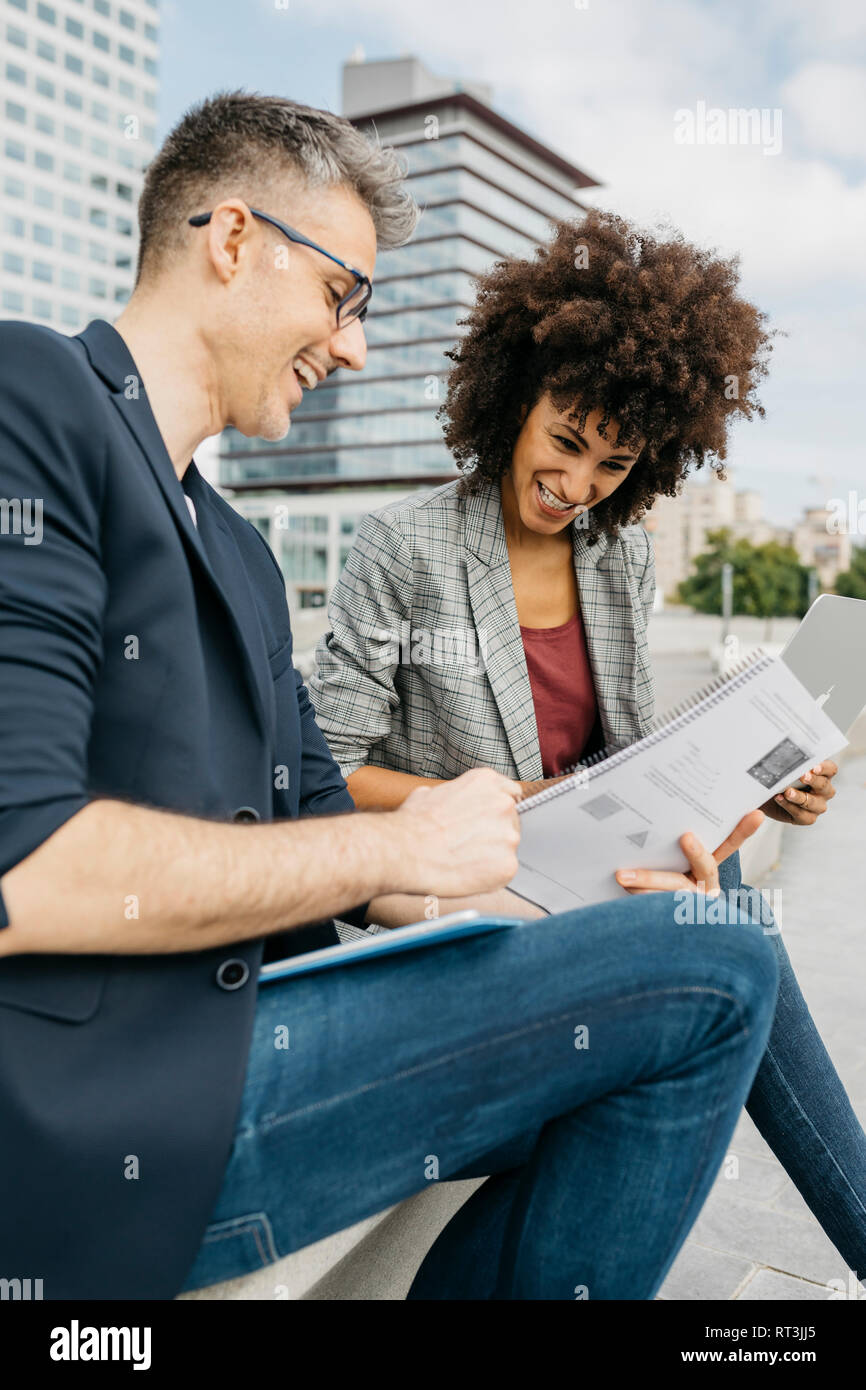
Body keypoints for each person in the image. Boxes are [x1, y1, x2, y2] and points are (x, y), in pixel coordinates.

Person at [0, 93, 779, 1303]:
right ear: (233, 239)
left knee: (697, 936)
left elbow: (354, 851)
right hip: (104, 1114)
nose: (354, 344)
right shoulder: (31, 399)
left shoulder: (243, 556)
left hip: (281, 1020)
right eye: (340, 294)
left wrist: (554, 906)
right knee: (720, 973)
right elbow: (24, 867)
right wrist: (399, 838)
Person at [309, 209, 866, 1277]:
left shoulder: (616, 560)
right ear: (514, 401)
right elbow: (321, 773)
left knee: (730, 916)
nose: (577, 485)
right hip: (457, 912)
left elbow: (630, 754)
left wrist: (761, 788)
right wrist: (494, 796)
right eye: (564, 443)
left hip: (586, 888)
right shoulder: (402, 547)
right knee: (739, 939)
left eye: (613, 464)